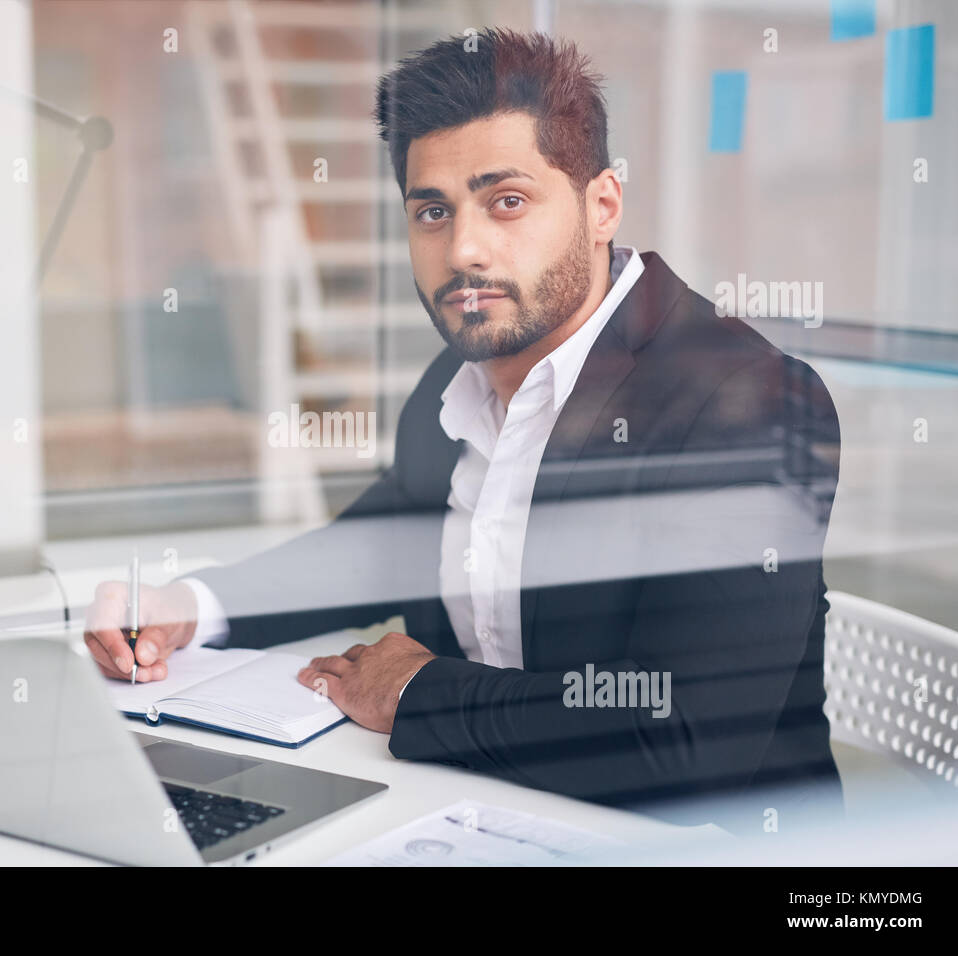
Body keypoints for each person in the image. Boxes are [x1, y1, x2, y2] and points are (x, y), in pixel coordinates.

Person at [84, 29, 843, 835]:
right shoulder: (456, 383)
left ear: (602, 206)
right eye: (432, 211)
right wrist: (190, 604)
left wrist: (417, 693)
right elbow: (380, 542)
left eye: (506, 201)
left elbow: (688, 738)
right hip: (461, 818)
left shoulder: (744, 401)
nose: (464, 250)